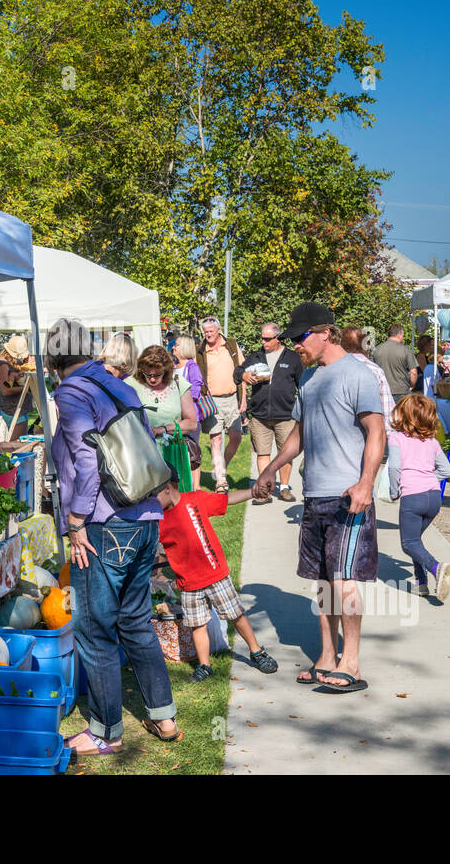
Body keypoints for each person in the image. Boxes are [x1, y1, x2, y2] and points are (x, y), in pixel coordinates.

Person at [48, 317, 180, 755]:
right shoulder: (116, 382)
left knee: (95, 630)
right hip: (144, 518)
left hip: (106, 525)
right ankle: (163, 717)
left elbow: (87, 465)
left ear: (52, 358)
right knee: (135, 621)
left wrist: (77, 521)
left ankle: (105, 731)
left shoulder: (71, 392)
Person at [255, 303, 385, 693]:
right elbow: (299, 434)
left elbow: (376, 432)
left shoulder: (358, 375)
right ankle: (327, 656)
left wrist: (366, 483)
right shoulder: (310, 379)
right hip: (314, 494)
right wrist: (270, 469)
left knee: (344, 580)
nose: (295, 345)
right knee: (325, 581)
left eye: (300, 337)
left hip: (349, 496)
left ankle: (352, 662)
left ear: (325, 332)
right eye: (291, 339)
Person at [157, 465, 278, 680]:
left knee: (236, 615)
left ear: (168, 487)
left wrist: (252, 492)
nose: (150, 501)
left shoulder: (194, 500)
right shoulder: (157, 521)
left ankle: (256, 650)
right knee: (197, 625)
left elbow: (226, 499)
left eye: (152, 494)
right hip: (189, 583)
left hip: (215, 575)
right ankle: (205, 665)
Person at [387, 394, 450, 600]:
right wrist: (429, 479)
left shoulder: (396, 438)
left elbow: (395, 466)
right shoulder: (432, 442)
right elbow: (447, 470)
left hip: (412, 496)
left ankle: (436, 568)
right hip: (434, 497)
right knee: (416, 540)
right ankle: (421, 582)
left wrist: (394, 490)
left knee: (408, 543)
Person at [235, 322, 304, 503]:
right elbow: (237, 371)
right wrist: (244, 376)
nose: (263, 341)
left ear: (277, 338)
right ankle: (264, 491)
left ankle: (284, 488)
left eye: (267, 339)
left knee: (285, 453)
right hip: (259, 415)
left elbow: (302, 385)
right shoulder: (256, 356)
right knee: (262, 453)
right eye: (262, 338)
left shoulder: (292, 358)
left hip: (286, 415)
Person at [127, 345, 202, 478]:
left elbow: (192, 423)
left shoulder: (178, 383)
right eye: (147, 374)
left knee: (176, 497)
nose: (152, 379)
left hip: (173, 453)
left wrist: (163, 429)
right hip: (142, 456)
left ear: (166, 371)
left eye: (157, 375)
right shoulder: (130, 384)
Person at [194, 317, 245, 493]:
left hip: (232, 398)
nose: (208, 335)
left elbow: (241, 373)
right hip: (212, 401)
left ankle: (221, 467)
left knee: (236, 437)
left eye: (211, 331)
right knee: (216, 439)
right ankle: (221, 480)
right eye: (206, 332)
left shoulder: (231, 345)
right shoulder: (200, 351)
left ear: (219, 330)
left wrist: (243, 399)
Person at [340, 326, 395, 431]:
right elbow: (387, 412)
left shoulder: (332, 368)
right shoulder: (375, 370)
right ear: (364, 345)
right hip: (370, 435)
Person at [173, 334, 205, 490]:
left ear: (184, 347)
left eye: (176, 344)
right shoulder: (173, 367)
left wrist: (179, 398)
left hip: (191, 417)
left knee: (192, 450)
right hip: (176, 418)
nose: (173, 347)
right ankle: (182, 484)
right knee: (178, 450)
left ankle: (196, 487)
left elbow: (196, 390)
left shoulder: (192, 367)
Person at [0, 334, 35, 438]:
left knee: (19, 442)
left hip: (19, 408)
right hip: (13, 410)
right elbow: (5, 391)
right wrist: (27, 388)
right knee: (16, 445)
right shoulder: (2, 364)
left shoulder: (13, 361)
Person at [371, 324, 419, 402]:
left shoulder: (376, 350)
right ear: (400, 334)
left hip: (382, 390)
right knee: (402, 414)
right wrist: (411, 386)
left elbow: (371, 371)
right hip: (402, 391)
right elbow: (413, 373)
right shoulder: (406, 350)